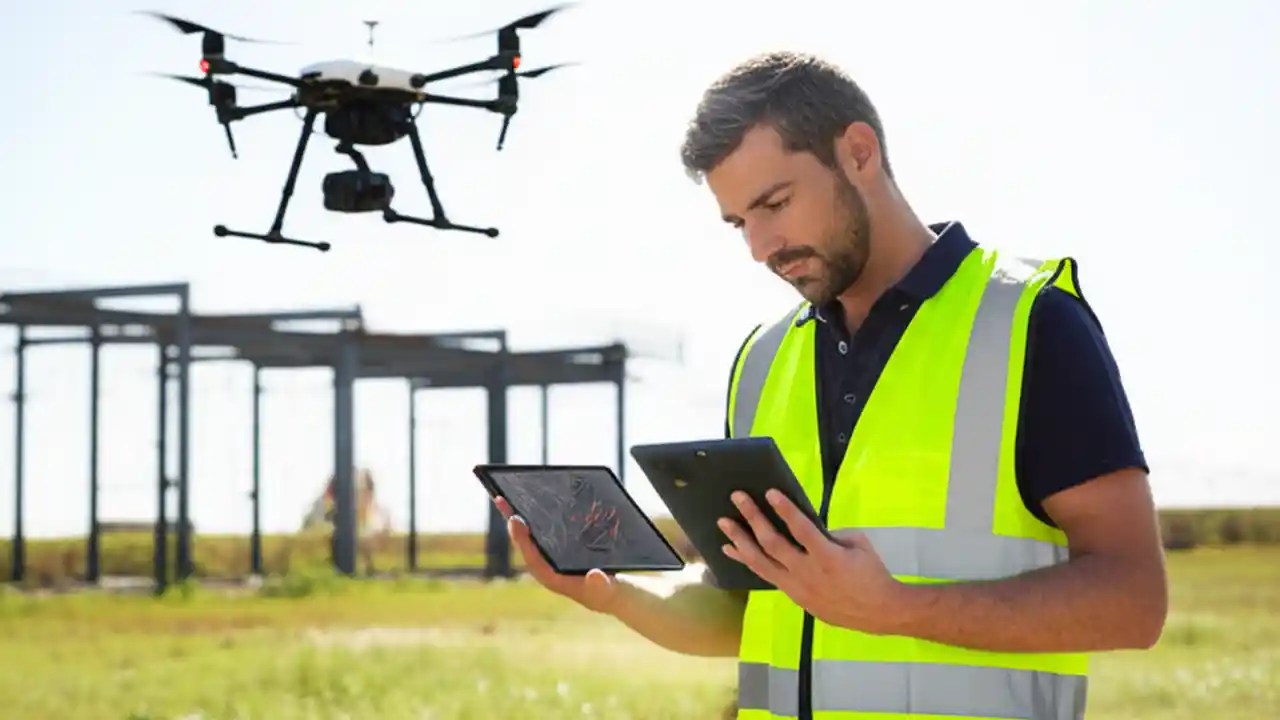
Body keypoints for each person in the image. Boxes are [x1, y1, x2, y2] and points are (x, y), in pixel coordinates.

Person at [492, 50, 1168, 720]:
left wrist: (895, 609)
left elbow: (1135, 602)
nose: (759, 246)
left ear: (859, 153)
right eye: (739, 223)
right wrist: (614, 595)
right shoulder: (761, 361)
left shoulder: (1030, 323)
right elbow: (750, 613)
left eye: (776, 203)